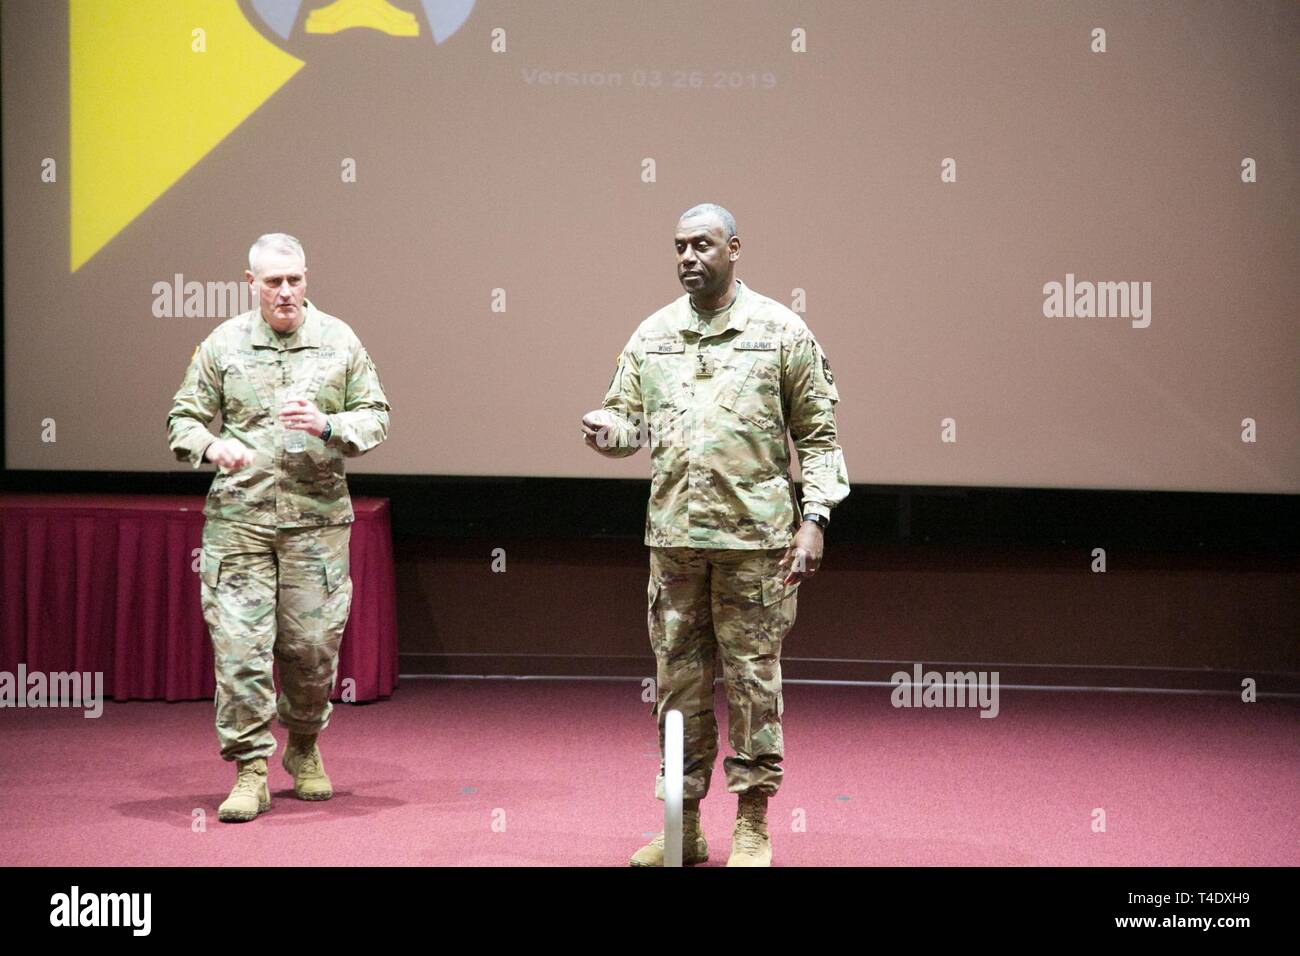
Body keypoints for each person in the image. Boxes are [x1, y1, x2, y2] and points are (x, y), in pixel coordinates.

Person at [582, 204, 850, 866]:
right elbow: (627, 423)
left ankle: (754, 822)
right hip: (675, 543)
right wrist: (608, 433)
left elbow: (817, 438)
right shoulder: (653, 336)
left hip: (756, 546)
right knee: (677, 685)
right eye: (679, 246)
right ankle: (683, 824)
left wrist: (815, 518)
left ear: (734, 248)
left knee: (754, 682)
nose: (688, 257)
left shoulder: (781, 332)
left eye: (702, 244)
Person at [167, 233, 390, 823]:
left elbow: (376, 417)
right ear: (251, 284)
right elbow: (182, 419)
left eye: (294, 280)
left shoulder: (339, 341)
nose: (285, 292)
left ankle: (306, 745)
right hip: (239, 525)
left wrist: (327, 424)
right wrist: (212, 446)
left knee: (312, 651)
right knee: (241, 651)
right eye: (273, 282)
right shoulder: (224, 344)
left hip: (316, 525)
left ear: (307, 278)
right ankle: (249, 768)